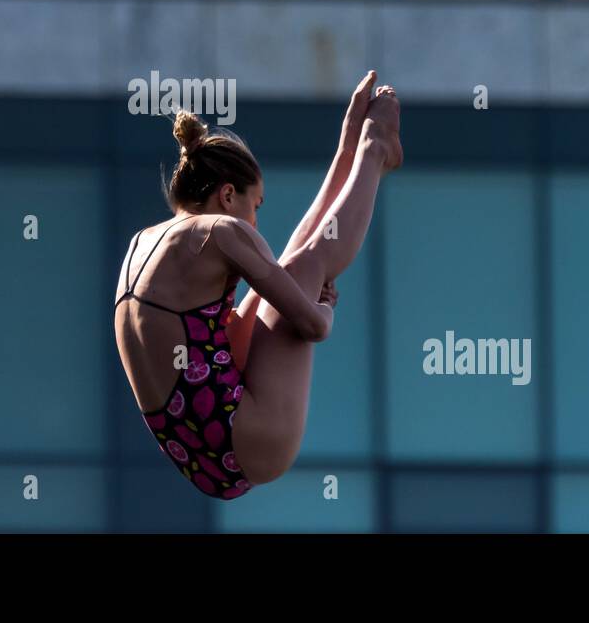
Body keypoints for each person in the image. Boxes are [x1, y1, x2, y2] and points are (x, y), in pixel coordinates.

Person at [112, 72, 403, 498]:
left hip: (201, 453)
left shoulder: (143, 243)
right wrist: (324, 308)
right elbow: (313, 326)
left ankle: (361, 150)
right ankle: (376, 150)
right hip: (246, 441)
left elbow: (286, 260)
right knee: (306, 271)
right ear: (227, 196)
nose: (255, 221)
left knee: (291, 269)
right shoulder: (221, 231)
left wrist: (345, 149)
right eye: (255, 206)